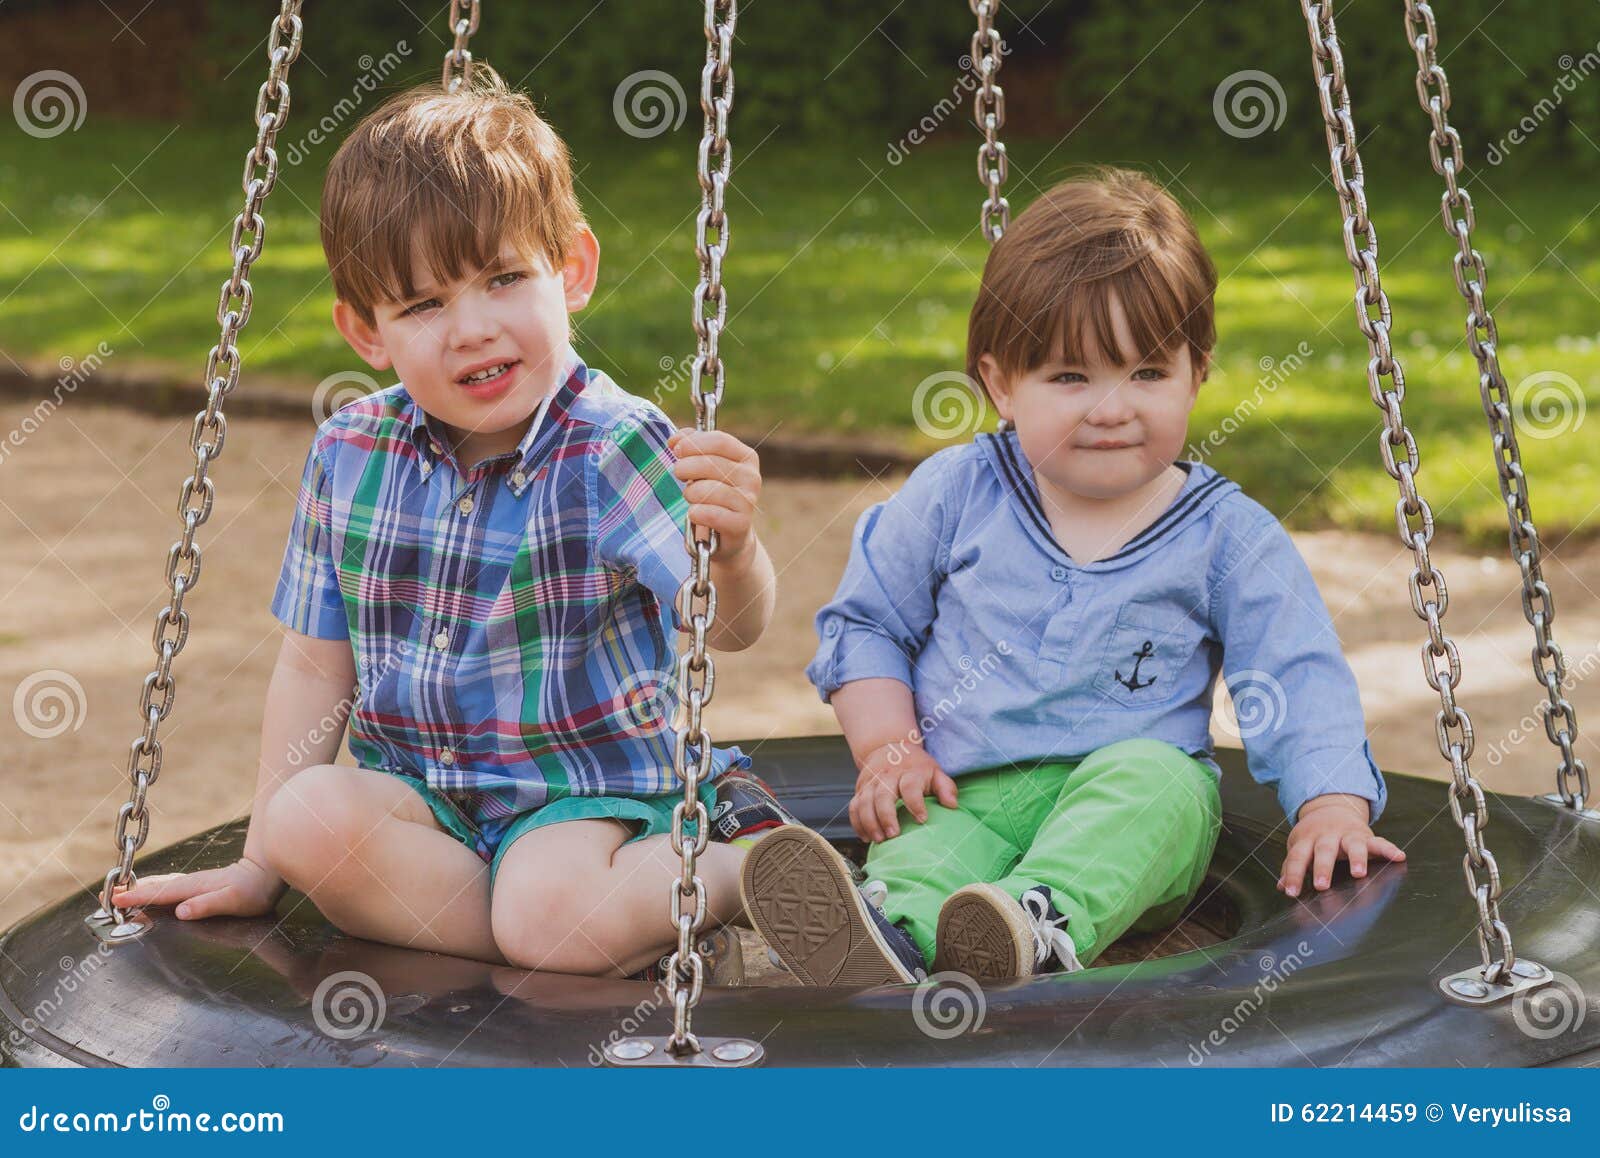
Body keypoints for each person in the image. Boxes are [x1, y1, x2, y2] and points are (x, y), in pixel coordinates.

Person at [114, 67, 786, 980]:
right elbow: (316, 664)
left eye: (504, 279)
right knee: (303, 819)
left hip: (589, 794)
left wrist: (735, 550)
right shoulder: (352, 451)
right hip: (424, 803)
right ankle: (554, 937)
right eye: (424, 304)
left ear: (572, 271)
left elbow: (732, 629)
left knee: (546, 911)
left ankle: (745, 865)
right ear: (367, 333)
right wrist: (260, 866)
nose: (472, 327)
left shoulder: (613, 448)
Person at [740, 167, 1406, 985]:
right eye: (1069, 376)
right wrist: (889, 750)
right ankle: (890, 937)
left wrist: (1331, 799)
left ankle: (1038, 920)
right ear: (1000, 385)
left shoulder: (1224, 536)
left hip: (1132, 823)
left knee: (1157, 783)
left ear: (1199, 373)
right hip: (967, 792)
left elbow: (1296, 671)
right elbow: (869, 625)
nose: (1111, 407)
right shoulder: (957, 494)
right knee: (926, 845)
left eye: (1147, 373)